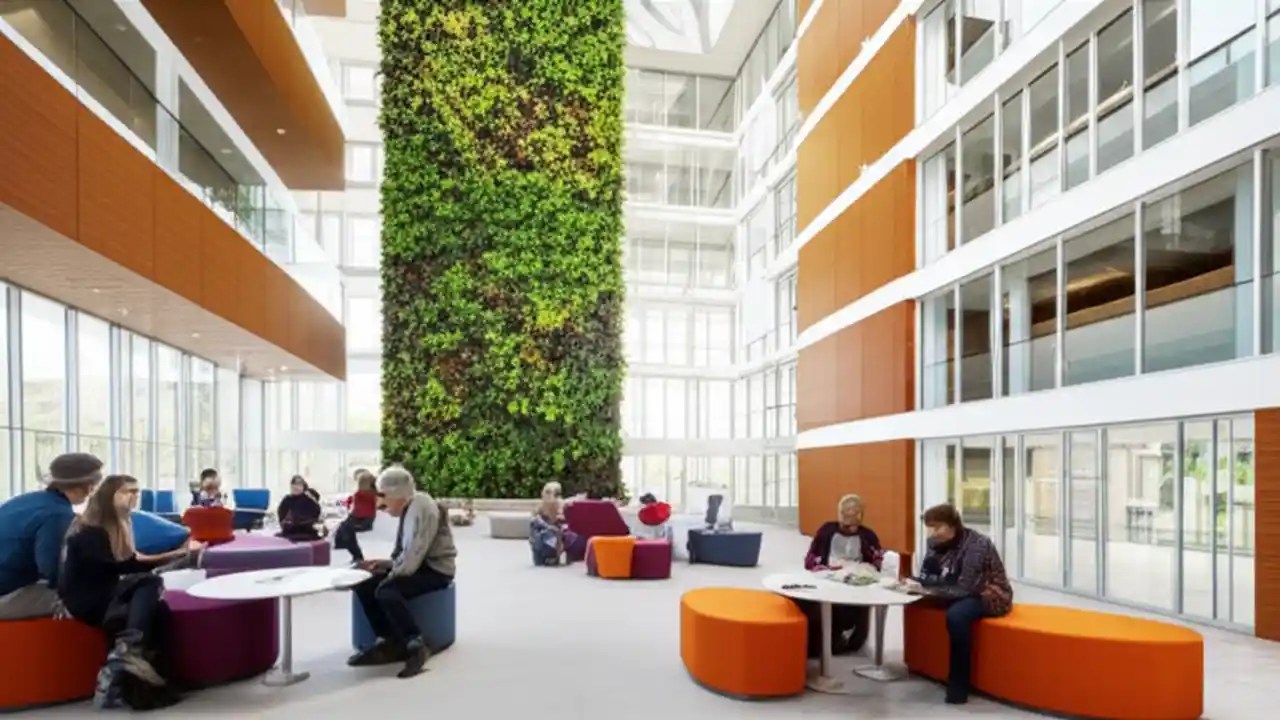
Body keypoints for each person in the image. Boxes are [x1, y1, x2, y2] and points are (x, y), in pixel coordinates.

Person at [59, 474, 204, 709]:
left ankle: (149, 681)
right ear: (109, 496)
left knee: (160, 609)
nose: (134, 496)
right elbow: (123, 566)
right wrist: (175, 556)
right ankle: (128, 651)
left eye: (136, 491)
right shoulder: (88, 529)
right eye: (128, 491)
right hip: (86, 599)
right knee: (148, 583)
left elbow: (131, 561)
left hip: (107, 592)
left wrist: (177, 555)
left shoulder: (120, 523)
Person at [348, 465, 456, 679]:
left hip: (436, 570)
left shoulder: (422, 507)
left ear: (397, 494)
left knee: (386, 591)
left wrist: (390, 574)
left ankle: (415, 643)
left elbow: (414, 556)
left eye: (383, 496)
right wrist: (385, 565)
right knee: (364, 582)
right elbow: (406, 554)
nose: (380, 503)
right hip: (419, 565)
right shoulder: (409, 508)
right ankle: (388, 641)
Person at [911, 503, 1013, 705]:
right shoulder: (934, 543)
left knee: (957, 616)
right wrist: (915, 584)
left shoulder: (977, 544)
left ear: (952, 525)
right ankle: (925, 663)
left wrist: (931, 588)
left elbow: (966, 587)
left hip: (986, 594)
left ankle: (958, 686)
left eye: (937, 527)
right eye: (930, 527)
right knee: (915, 602)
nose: (933, 533)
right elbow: (927, 576)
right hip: (952, 590)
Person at [0, 453, 103, 620]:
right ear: (86, 486)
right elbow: (51, 568)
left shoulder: (24, 500)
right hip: (5, 596)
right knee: (94, 595)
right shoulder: (57, 514)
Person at [796, 494, 884, 656]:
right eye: (845, 513)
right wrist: (824, 568)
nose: (849, 517)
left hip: (855, 580)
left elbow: (877, 562)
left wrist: (863, 570)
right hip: (828, 576)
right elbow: (811, 558)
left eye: (854, 513)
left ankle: (846, 637)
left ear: (860, 515)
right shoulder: (827, 530)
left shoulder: (868, 536)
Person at [335, 469, 378, 563]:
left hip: (362, 520)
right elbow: (350, 502)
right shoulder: (370, 495)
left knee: (345, 530)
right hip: (358, 519)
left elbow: (357, 508)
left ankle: (355, 555)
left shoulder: (366, 495)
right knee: (343, 529)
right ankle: (351, 553)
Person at [529, 482, 575, 566]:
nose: (548, 496)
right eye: (546, 492)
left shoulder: (562, 505)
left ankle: (559, 555)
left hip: (558, 533)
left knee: (567, 534)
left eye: (553, 493)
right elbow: (534, 524)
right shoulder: (539, 508)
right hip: (544, 536)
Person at [277, 476, 323, 542]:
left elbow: (316, 513)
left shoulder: (308, 499)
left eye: (299, 484)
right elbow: (282, 516)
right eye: (294, 484)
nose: (296, 487)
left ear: (303, 486)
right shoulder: (287, 500)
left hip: (306, 532)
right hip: (290, 532)